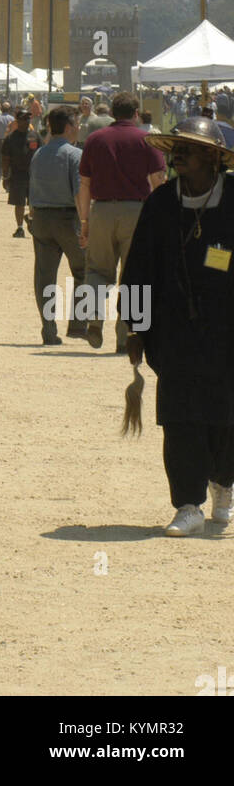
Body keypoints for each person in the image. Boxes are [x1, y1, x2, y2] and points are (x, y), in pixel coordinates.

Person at [122, 119, 234, 536]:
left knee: (226, 418)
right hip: (174, 334)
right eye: (176, 148)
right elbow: (137, 269)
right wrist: (135, 327)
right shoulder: (161, 203)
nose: (177, 155)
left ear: (214, 156)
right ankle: (187, 504)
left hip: (227, 334)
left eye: (189, 148)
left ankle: (224, 484)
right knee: (180, 416)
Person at [77, 90, 167, 352]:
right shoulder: (147, 140)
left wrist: (85, 221)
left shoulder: (95, 139)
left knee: (96, 270)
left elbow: (84, 184)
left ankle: (94, 319)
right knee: (136, 273)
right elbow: (158, 182)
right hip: (137, 213)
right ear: (136, 114)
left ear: (114, 113)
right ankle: (128, 335)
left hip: (102, 209)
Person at [27, 106, 86, 345]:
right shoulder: (74, 155)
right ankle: (79, 324)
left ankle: (49, 329)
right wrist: (85, 224)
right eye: (78, 124)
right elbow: (79, 192)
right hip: (67, 219)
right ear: (70, 126)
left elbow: (32, 189)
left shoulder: (39, 154)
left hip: (41, 218)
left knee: (45, 276)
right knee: (83, 271)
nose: (80, 129)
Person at [1, 109, 39, 237]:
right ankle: (20, 228)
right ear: (17, 121)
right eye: (23, 119)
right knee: (19, 203)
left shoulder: (35, 136)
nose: (27, 121)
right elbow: (5, 158)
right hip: (17, 175)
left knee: (34, 202)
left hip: (33, 175)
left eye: (28, 118)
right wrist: (5, 176)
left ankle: (30, 218)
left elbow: (42, 153)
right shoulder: (11, 138)